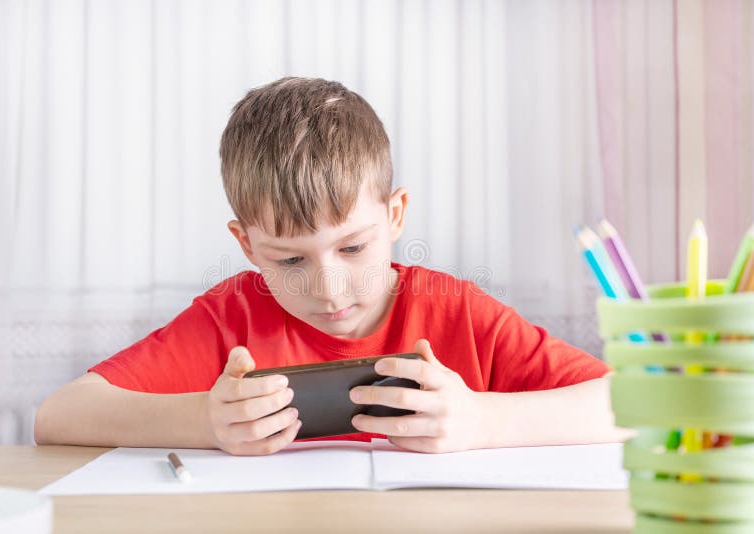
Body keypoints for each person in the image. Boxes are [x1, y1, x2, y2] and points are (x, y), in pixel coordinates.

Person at [34, 77, 630, 455]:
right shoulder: (230, 318)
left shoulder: (459, 312)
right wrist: (202, 421)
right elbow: (58, 416)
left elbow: (633, 404)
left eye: (353, 247)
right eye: (289, 258)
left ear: (395, 215)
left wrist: (483, 423)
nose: (329, 286)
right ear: (246, 246)